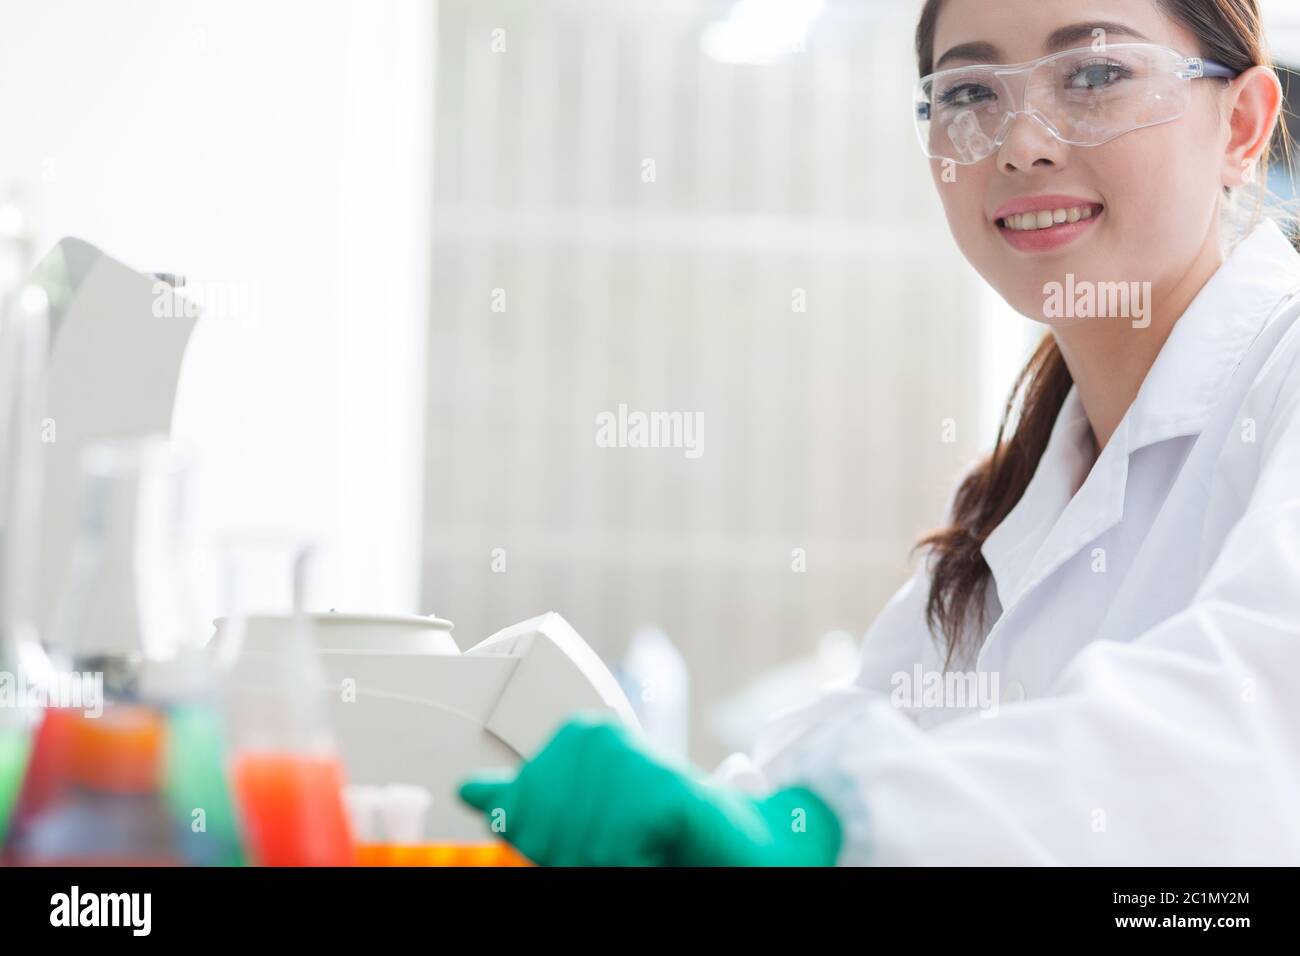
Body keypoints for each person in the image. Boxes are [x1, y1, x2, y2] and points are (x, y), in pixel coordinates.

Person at [459, 0, 1300, 866]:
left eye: (1093, 75)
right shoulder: (1004, 516)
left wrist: (837, 828)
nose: (1021, 143)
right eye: (971, 92)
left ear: (1240, 126)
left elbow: (1259, 715)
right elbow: (845, 756)